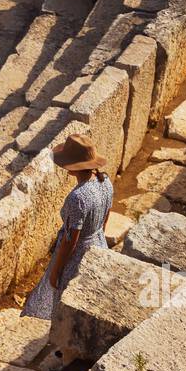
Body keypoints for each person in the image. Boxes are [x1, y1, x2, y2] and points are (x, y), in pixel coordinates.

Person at [21, 133, 114, 321]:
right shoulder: (106, 182)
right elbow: (106, 216)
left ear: (72, 168)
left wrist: (56, 271)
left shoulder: (78, 198)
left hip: (77, 256)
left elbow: (70, 241)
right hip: (99, 244)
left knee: (61, 299)